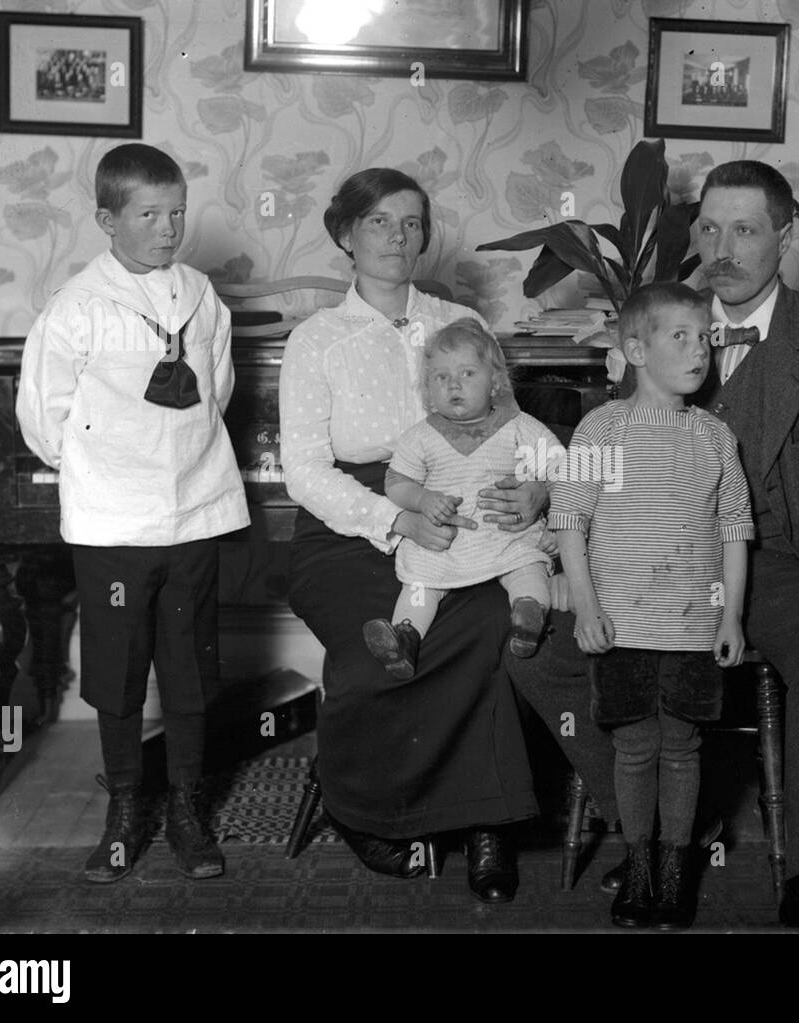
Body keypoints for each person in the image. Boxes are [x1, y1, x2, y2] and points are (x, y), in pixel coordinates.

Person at [509, 160, 799, 927]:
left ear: (784, 235)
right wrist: (548, 497)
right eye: (710, 228)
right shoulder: (660, 321)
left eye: (745, 229)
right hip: (649, 560)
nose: (723, 247)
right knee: (537, 651)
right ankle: (658, 830)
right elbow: (603, 445)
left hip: (777, 559)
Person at [280, 168, 541, 903]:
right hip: (350, 526)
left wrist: (535, 487)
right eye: (378, 222)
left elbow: (511, 426)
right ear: (346, 235)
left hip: (460, 514)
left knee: (487, 619)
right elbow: (304, 469)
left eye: (412, 223)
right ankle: (363, 808)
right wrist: (396, 519)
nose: (397, 237)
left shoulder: (460, 320)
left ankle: (488, 821)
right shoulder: (316, 339)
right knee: (380, 645)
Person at [17, 142, 248, 883]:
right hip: (112, 523)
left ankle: (185, 809)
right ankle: (123, 809)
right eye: (148, 214)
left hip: (194, 513)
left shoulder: (202, 296)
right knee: (117, 672)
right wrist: (104, 471)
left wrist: (177, 464)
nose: (167, 228)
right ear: (107, 220)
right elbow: (43, 415)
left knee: (189, 670)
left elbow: (217, 390)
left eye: (176, 212)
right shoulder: (77, 306)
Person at [552, 282, 752, 930]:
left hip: (693, 625)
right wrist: (587, 609)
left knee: (683, 746)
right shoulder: (602, 428)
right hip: (622, 624)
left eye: (705, 339)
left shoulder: (714, 436)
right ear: (637, 350)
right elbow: (570, 522)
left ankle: (674, 871)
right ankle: (638, 869)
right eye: (680, 337)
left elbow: (734, 531)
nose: (698, 352)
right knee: (635, 747)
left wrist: (730, 616)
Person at [364, 318, 559, 677]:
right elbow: (397, 483)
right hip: (443, 543)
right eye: (441, 377)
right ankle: (404, 638)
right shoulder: (420, 436)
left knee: (528, 565)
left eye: (468, 373)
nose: (453, 384)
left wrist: (552, 512)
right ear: (427, 389)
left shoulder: (519, 427)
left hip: (507, 537)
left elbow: (563, 470)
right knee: (419, 582)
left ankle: (528, 614)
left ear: (495, 382)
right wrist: (422, 499)